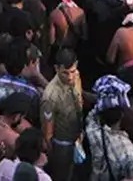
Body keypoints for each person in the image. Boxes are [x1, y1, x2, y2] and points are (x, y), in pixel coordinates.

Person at [40, 50, 84, 181]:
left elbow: (80, 97)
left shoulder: (76, 75)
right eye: (65, 72)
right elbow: (47, 134)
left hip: (78, 137)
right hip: (62, 145)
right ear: (56, 68)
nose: (70, 77)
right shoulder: (50, 97)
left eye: (72, 71)